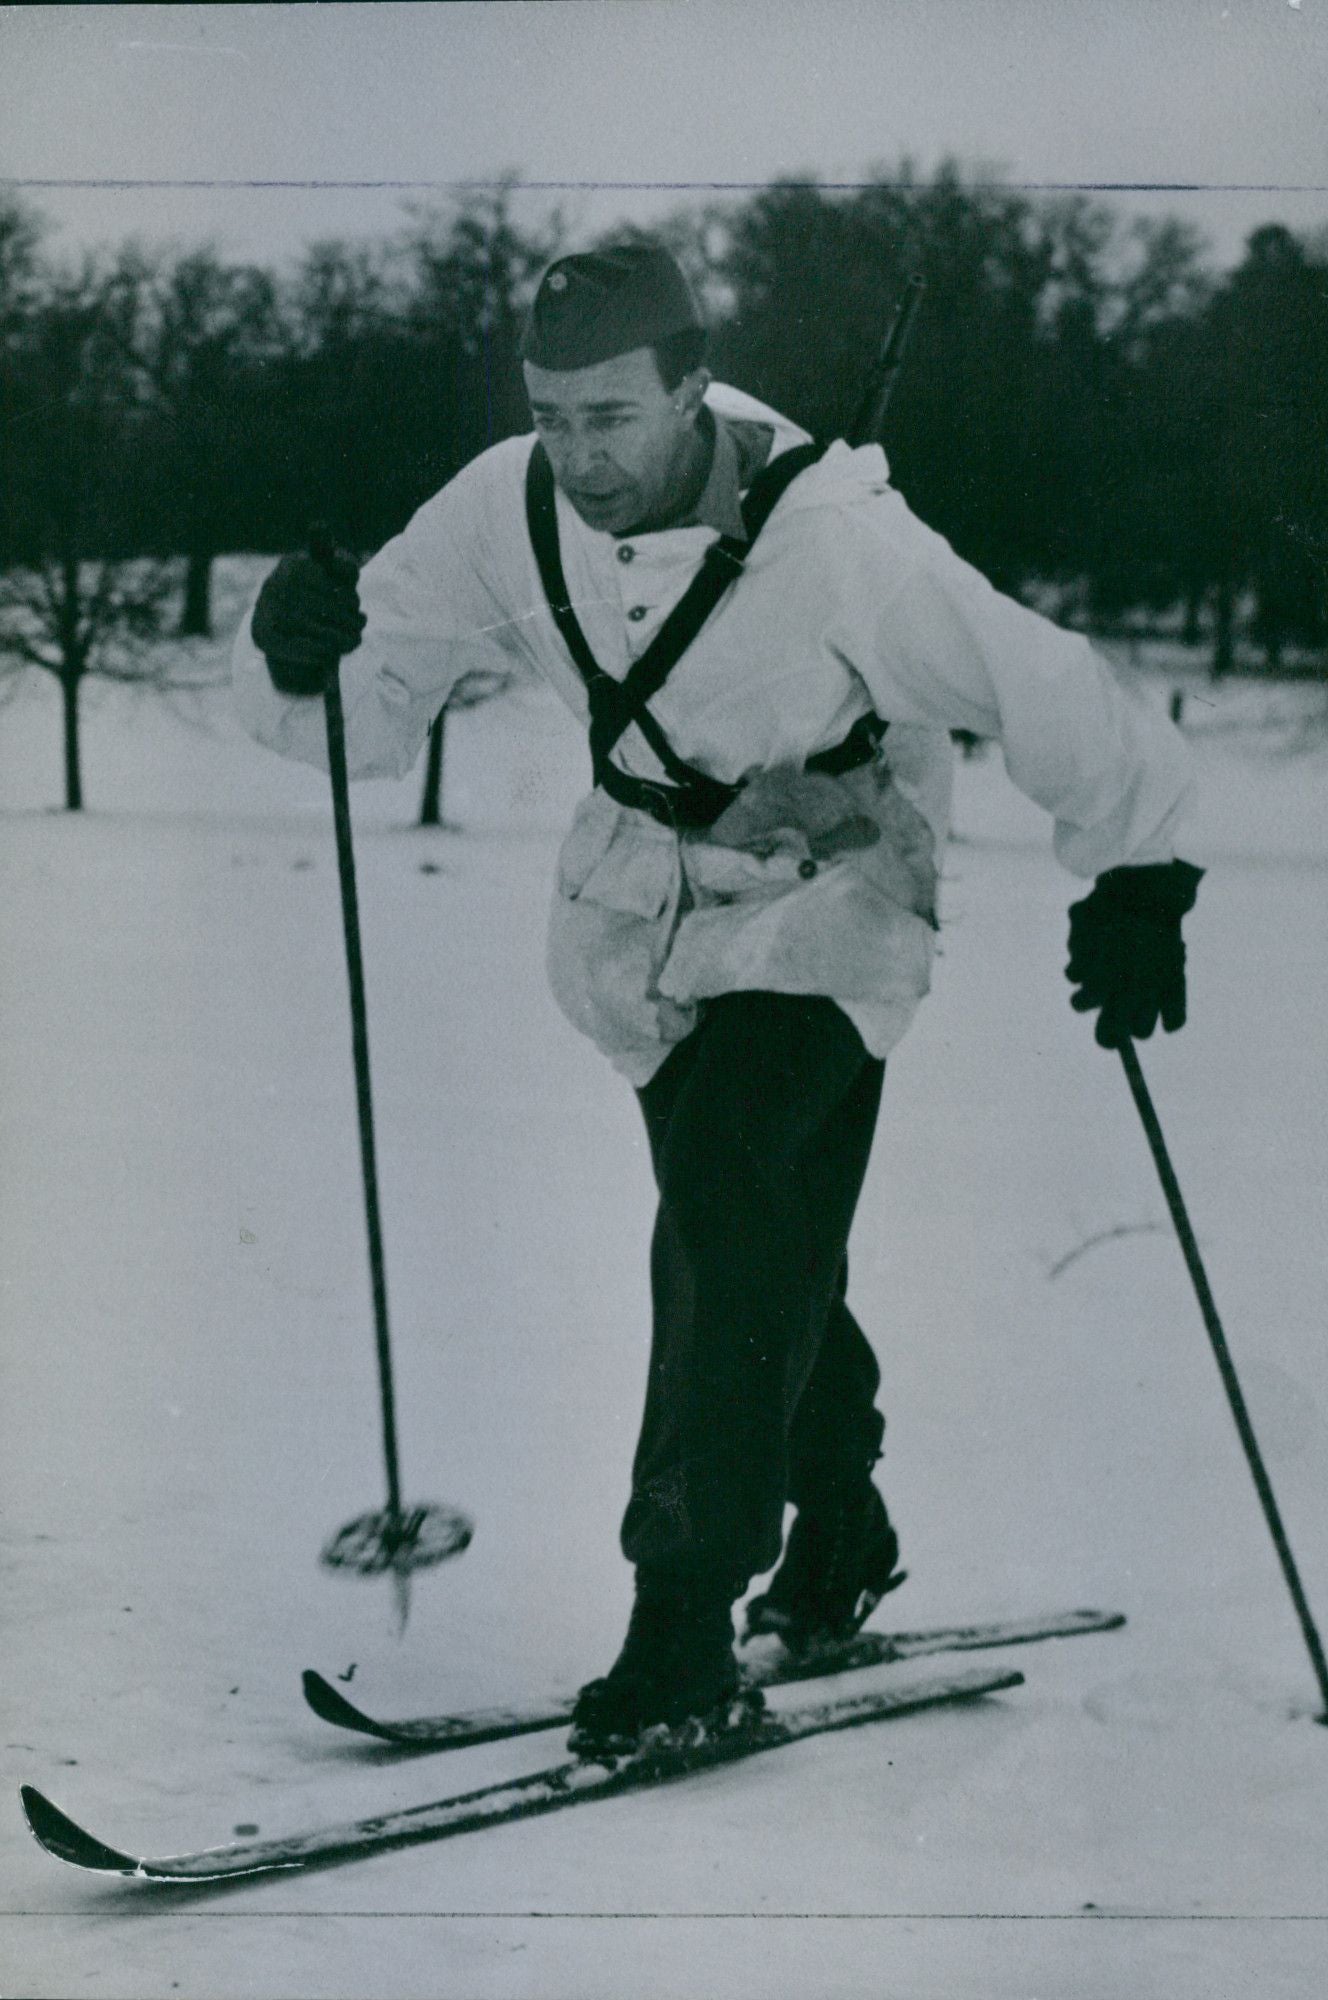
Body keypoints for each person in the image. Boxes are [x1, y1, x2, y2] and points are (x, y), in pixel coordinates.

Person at [234, 242, 1202, 1757]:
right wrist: (296, 645)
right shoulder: (506, 507)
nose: (580, 454)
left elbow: (1039, 679)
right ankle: (843, 1528)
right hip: (643, 915)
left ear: (694, 384)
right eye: (552, 414)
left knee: (733, 1201)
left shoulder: (839, 545)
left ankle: (682, 1623)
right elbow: (363, 705)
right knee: (751, 1234)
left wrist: (1140, 874)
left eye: (611, 415)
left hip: (839, 899)